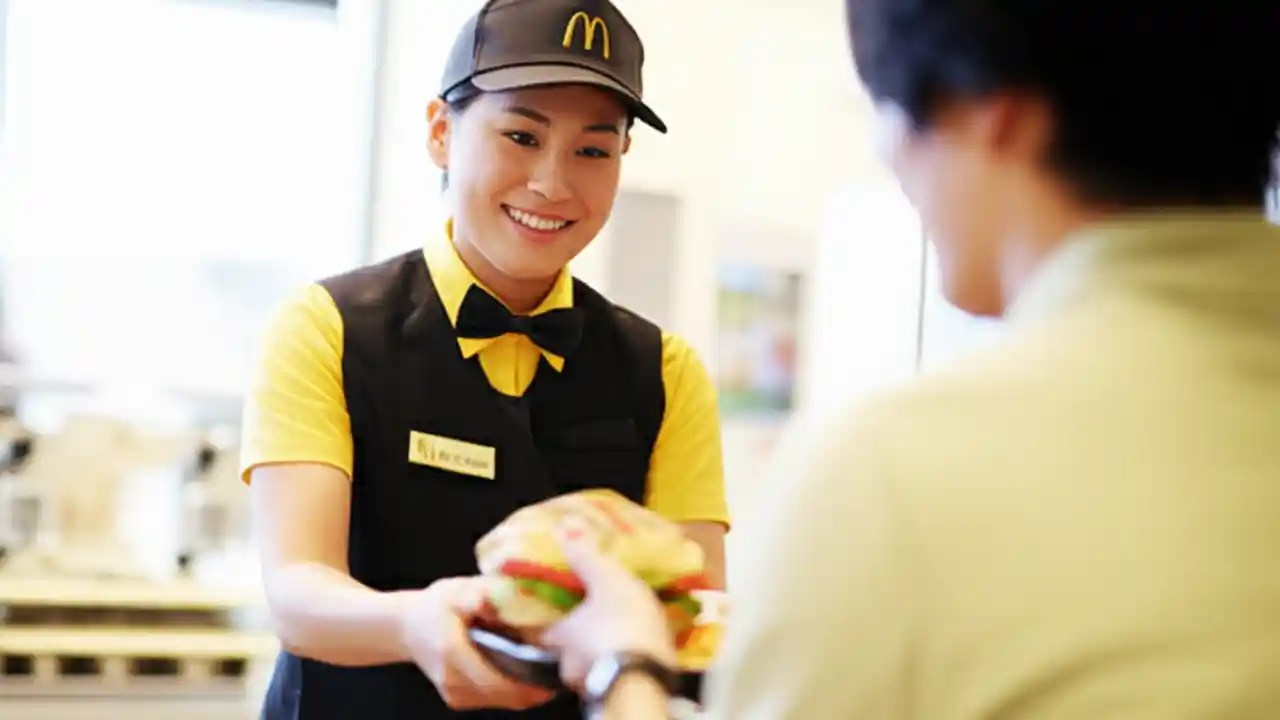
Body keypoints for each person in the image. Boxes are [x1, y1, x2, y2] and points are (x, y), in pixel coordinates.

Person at [540, 1, 1280, 718]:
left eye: (889, 113)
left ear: (992, 117)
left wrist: (624, 667)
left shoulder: (890, 474)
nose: (891, 159)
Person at [240, 1, 729, 718]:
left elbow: (695, 610)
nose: (552, 183)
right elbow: (297, 592)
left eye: (593, 150)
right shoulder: (328, 327)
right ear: (441, 132)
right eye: (521, 135)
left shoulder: (664, 369)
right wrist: (414, 623)